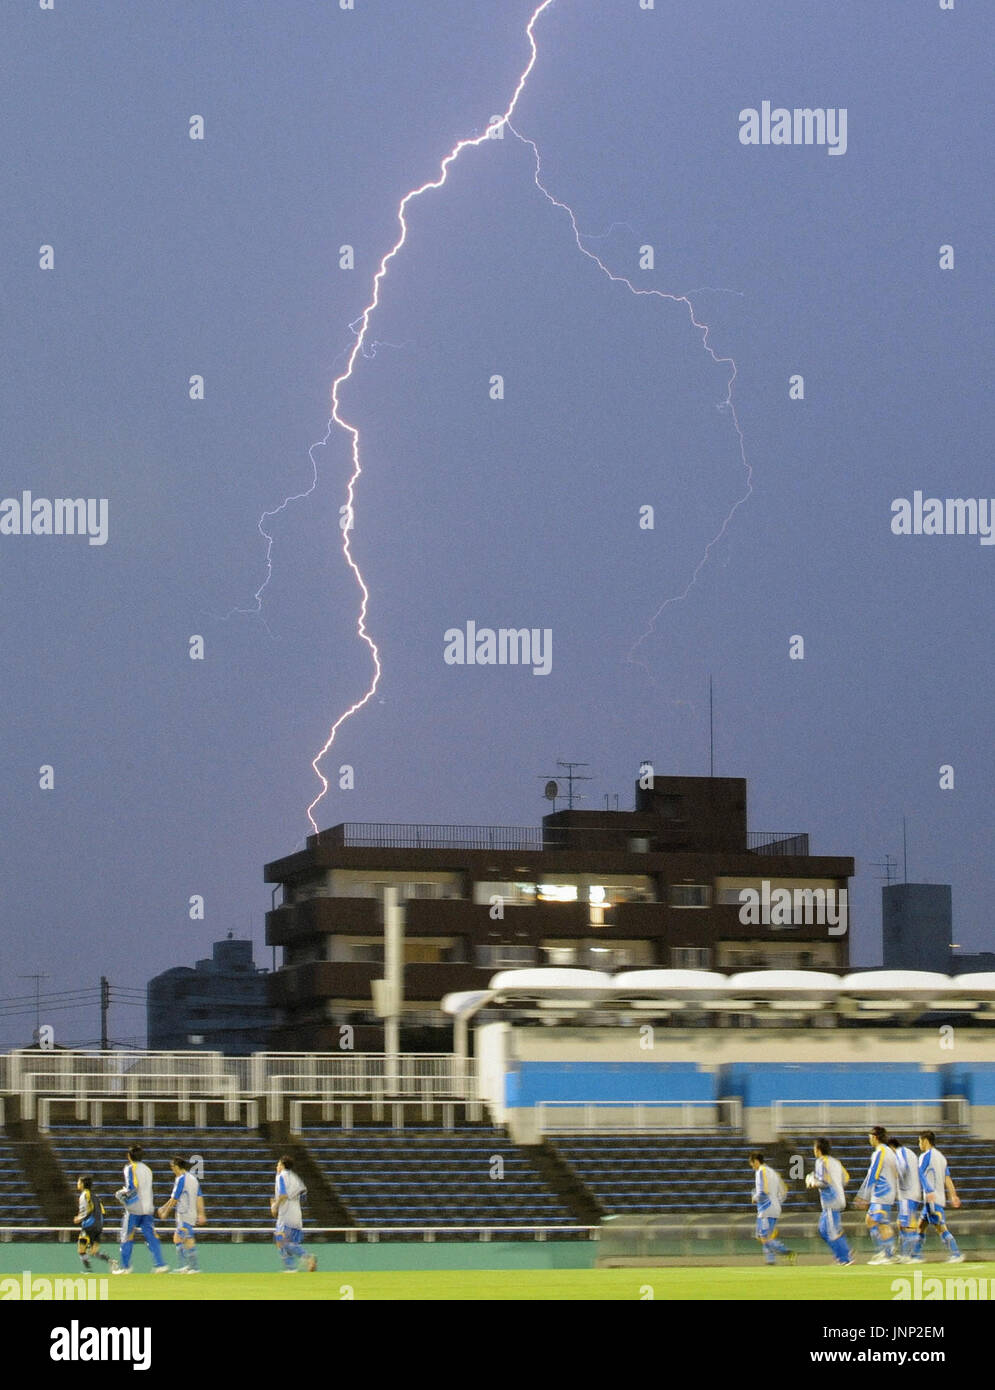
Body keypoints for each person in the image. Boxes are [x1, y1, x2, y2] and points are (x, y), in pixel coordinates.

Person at [112, 1143, 169, 1274]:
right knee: (151, 1236)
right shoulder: (148, 1169)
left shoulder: (130, 1168)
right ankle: (160, 1264)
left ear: (129, 1156)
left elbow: (132, 1187)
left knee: (126, 1236)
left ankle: (126, 1267)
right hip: (148, 1208)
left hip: (134, 1209)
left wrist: (121, 1195)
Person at [912, 1131, 963, 1263]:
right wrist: (953, 1195)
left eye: (919, 1141)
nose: (919, 1144)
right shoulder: (941, 1157)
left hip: (931, 1198)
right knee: (921, 1225)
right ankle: (916, 1255)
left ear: (925, 1141)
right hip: (939, 1198)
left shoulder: (925, 1156)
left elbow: (920, 1174)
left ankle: (956, 1253)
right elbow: (948, 1179)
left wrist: (928, 1190)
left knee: (940, 1227)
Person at [855, 1125, 898, 1263]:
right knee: (871, 1220)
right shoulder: (890, 1152)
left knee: (880, 1222)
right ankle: (885, 1251)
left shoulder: (880, 1152)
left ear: (875, 1137)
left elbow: (874, 1174)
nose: (869, 1140)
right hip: (885, 1193)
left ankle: (888, 1254)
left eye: (870, 1137)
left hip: (881, 1193)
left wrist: (863, 1195)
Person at [808, 1138, 853, 1265]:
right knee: (823, 1229)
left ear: (818, 1149)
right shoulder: (835, 1161)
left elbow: (824, 1182)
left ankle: (845, 1257)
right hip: (836, 1198)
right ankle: (842, 1254)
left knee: (832, 1231)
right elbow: (846, 1178)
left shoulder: (821, 1161)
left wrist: (812, 1183)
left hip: (831, 1201)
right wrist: (837, 1185)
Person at [157, 1158, 206, 1273]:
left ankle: (187, 1267)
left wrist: (165, 1212)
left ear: (177, 1166)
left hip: (184, 1214)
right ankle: (190, 1267)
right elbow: (199, 1197)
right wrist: (201, 1213)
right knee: (184, 1239)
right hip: (190, 1214)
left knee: (181, 1238)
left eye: (172, 1167)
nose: (172, 1169)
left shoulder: (181, 1179)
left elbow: (175, 1198)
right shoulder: (193, 1179)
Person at [271, 1156, 317, 1273]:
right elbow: (304, 1194)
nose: (277, 1167)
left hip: (285, 1215)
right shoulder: (295, 1177)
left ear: (282, 1165)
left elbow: (283, 1195)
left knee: (280, 1240)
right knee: (290, 1243)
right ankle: (291, 1269)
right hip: (296, 1214)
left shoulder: (281, 1176)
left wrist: (275, 1206)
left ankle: (305, 1257)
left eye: (278, 1164)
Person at [749, 1152, 795, 1266]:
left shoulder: (761, 1171)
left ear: (756, 1161)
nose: (752, 1167)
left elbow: (763, 1191)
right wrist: (777, 1202)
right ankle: (770, 1260)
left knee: (763, 1237)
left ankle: (787, 1252)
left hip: (766, 1208)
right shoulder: (773, 1172)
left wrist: (755, 1198)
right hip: (774, 1207)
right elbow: (784, 1190)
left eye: (752, 1164)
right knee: (765, 1236)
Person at [888, 1137, 923, 1261]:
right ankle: (906, 1253)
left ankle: (912, 1255)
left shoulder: (900, 1152)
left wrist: (893, 1175)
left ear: (891, 1147)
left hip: (908, 1194)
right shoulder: (909, 1153)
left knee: (908, 1224)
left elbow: (902, 1168)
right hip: (910, 1193)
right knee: (903, 1223)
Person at [73, 1176, 115, 1273]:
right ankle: (111, 1261)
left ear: (82, 1184)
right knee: (93, 1251)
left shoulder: (84, 1195)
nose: (77, 1184)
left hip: (89, 1225)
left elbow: (85, 1210)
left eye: (78, 1182)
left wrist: (79, 1219)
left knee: (81, 1249)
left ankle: (88, 1270)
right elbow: (103, 1211)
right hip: (98, 1225)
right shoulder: (95, 1196)